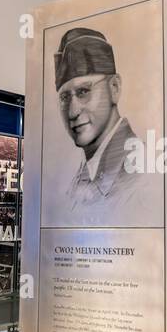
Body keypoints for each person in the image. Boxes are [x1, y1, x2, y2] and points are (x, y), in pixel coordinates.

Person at [54, 27, 142, 212]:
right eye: (65, 97)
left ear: (114, 88)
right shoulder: (84, 173)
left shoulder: (140, 172)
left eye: (83, 91)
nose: (72, 111)